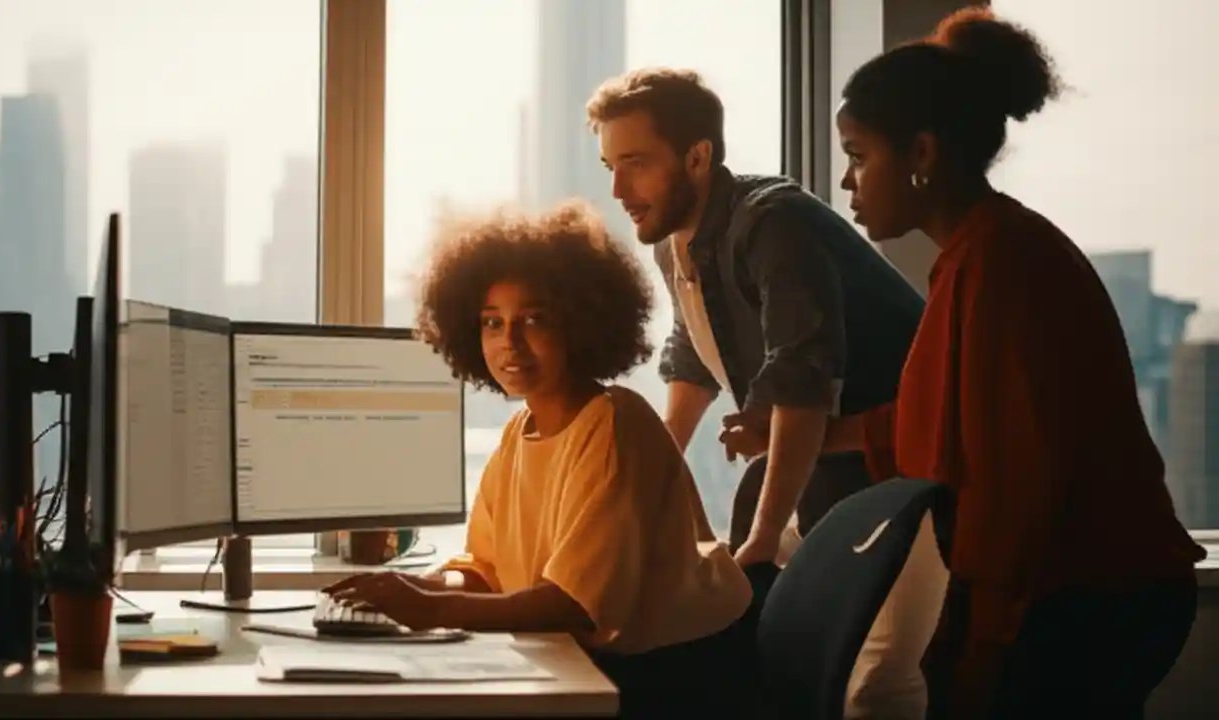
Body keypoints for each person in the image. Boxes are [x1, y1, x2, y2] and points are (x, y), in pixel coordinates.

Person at [827, 7, 1205, 717]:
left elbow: (1015, 481)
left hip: (1090, 598)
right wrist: (819, 436)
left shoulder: (1002, 265)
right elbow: (944, 420)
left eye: (858, 154)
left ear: (921, 154)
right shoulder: (978, 254)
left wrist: (982, 647)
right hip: (1080, 590)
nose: (848, 182)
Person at [587, 67, 947, 717]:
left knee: (873, 687)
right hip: (823, 480)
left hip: (904, 485)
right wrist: (642, 483)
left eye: (635, 164)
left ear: (698, 157)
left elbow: (801, 378)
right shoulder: (674, 245)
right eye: (610, 166)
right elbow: (693, 358)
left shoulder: (772, 223)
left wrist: (764, 532)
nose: (617, 189)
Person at [325, 202, 754, 719]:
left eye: (533, 320)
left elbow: (571, 603)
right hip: (593, 663)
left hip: (681, 676)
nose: (509, 342)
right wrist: (420, 587)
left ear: (579, 322)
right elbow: (484, 571)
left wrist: (432, 608)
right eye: (492, 322)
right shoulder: (518, 432)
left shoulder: (615, 423)